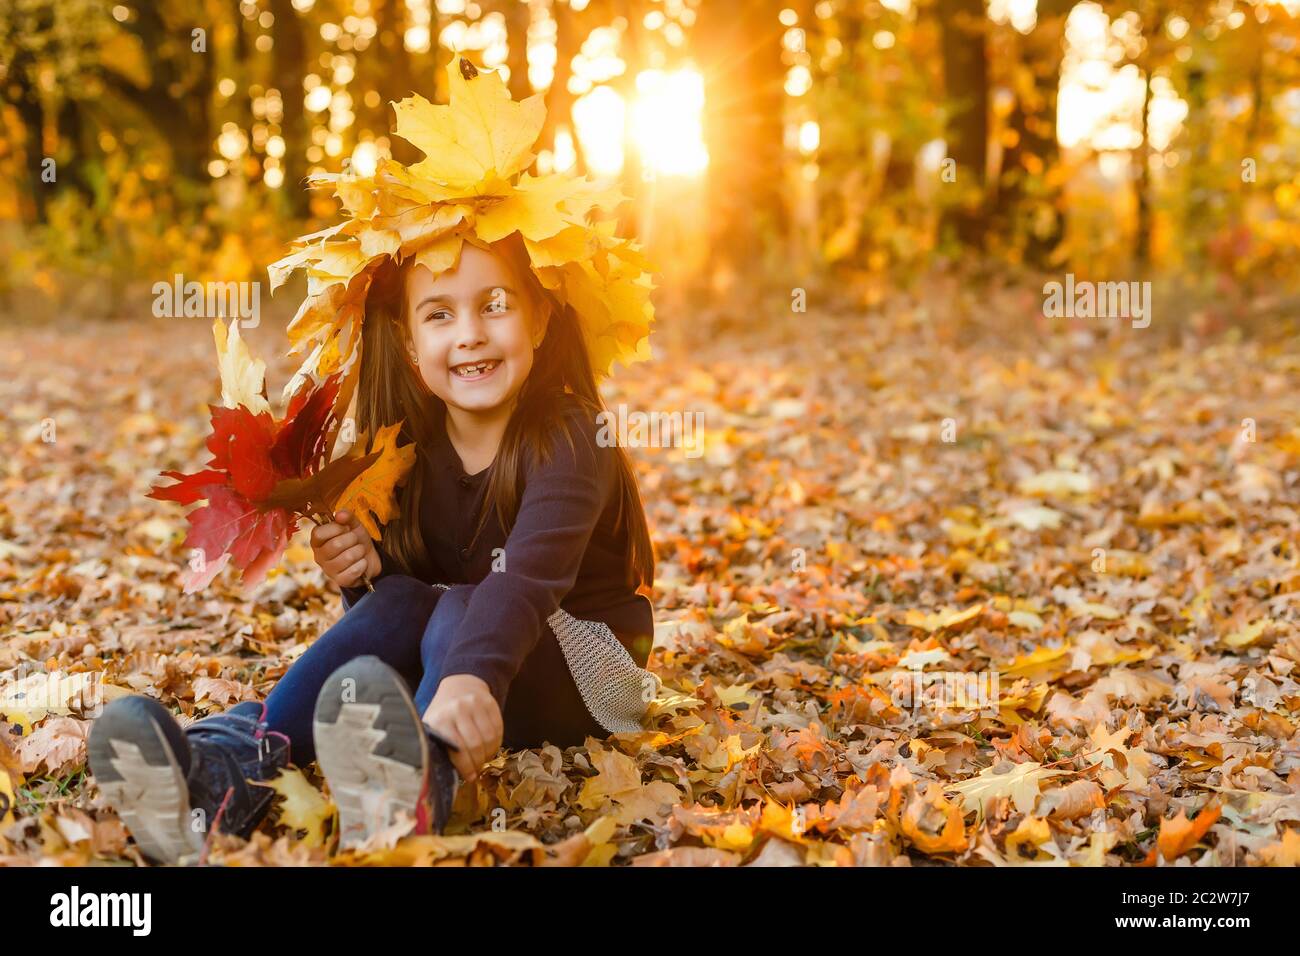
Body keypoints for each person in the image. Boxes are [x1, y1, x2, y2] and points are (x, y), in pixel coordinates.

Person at [87, 57, 660, 864]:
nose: (469, 331)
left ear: (537, 321)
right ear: (412, 343)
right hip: (474, 656)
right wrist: (360, 574)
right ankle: (230, 773)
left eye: (495, 305)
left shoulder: (570, 438)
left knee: (463, 605)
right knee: (403, 600)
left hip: (588, 671)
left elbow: (522, 581)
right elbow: (406, 609)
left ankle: (431, 772)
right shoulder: (403, 454)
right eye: (439, 314)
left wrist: (468, 679)